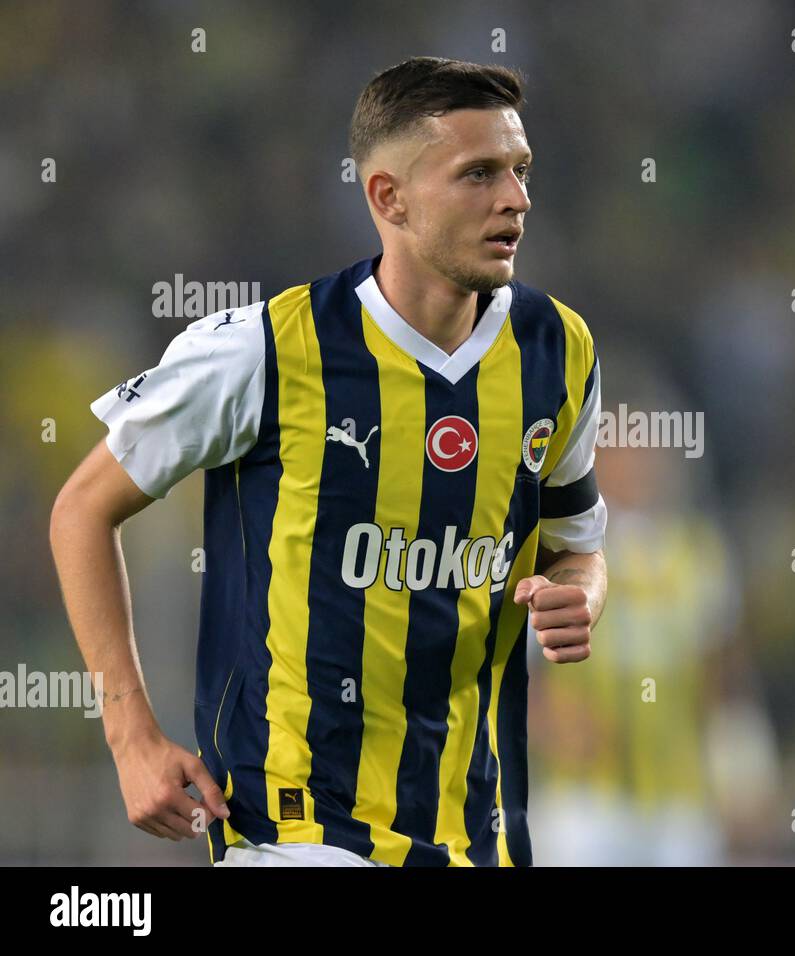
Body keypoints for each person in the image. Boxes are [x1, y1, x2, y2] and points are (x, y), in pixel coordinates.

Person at [48, 56, 608, 867]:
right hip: (297, 832)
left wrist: (578, 596)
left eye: (520, 171)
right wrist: (130, 733)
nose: (516, 199)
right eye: (479, 174)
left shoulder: (559, 351)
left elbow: (577, 542)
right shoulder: (266, 350)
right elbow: (81, 509)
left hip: (473, 836)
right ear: (390, 198)